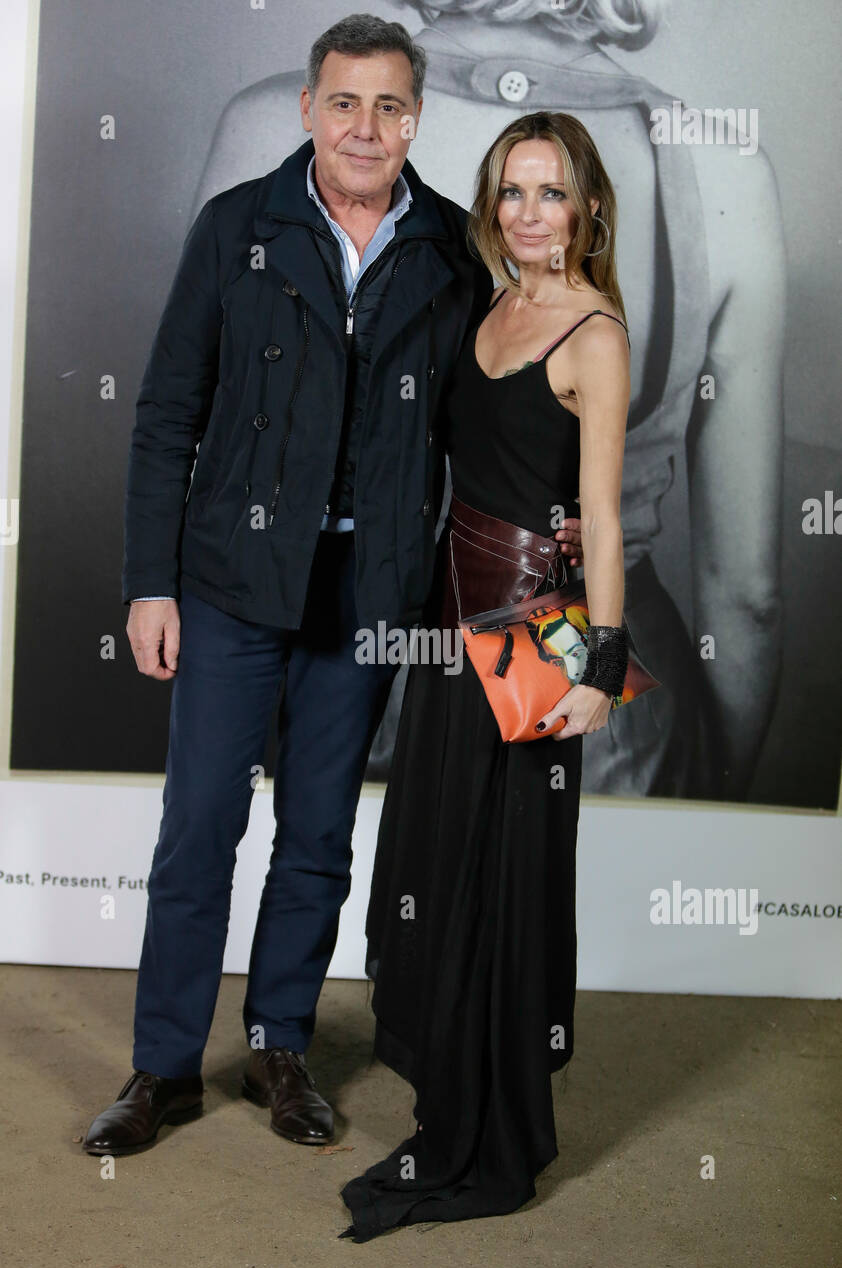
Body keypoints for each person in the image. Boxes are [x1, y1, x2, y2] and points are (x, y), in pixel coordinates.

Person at [82, 15, 586, 1158]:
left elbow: (509, 441)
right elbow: (167, 413)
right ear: (307, 109)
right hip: (225, 577)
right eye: (344, 104)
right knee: (199, 828)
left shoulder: (456, 252)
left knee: (316, 831)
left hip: (372, 585)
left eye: (389, 108)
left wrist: (560, 638)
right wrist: (147, 585)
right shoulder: (236, 229)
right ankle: (159, 1066)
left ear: (417, 119)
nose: (366, 128)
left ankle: (279, 1044)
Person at [192, 0, 784, 801]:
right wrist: (720, 795)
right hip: (596, 708)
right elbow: (745, 598)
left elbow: (215, 482)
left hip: (347, 677)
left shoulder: (272, 127)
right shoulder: (725, 168)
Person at [340, 110, 631, 1241]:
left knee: (506, 871)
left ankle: (494, 1126)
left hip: (531, 629)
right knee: (434, 856)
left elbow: (598, 519)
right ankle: (445, 1088)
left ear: (587, 208)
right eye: (510, 192)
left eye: (550, 193)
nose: (527, 213)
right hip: (448, 618)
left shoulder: (592, 335)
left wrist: (598, 667)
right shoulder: (487, 298)